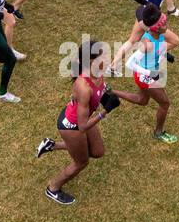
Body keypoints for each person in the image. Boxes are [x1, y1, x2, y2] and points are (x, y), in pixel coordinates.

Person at [35, 39, 131, 205]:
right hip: (72, 126)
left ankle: (52, 145)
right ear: (92, 61)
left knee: (98, 152)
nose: (108, 58)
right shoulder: (83, 87)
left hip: (83, 119)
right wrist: (105, 111)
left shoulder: (98, 72)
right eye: (104, 56)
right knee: (81, 162)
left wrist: (109, 94)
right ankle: (53, 188)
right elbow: (82, 126)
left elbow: (101, 88)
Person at [120, 4, 178, 143]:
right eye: (164, 23)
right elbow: (129, 63)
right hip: (145, 77)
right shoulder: (147, 44)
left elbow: (157, 50)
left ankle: (111, 92)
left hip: (148, 74)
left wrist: (164, 54)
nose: (166, 24)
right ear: (156, 27)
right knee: (165, 104)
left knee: (142, 100)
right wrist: (149, 73)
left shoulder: (158, 35)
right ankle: (158, 133)